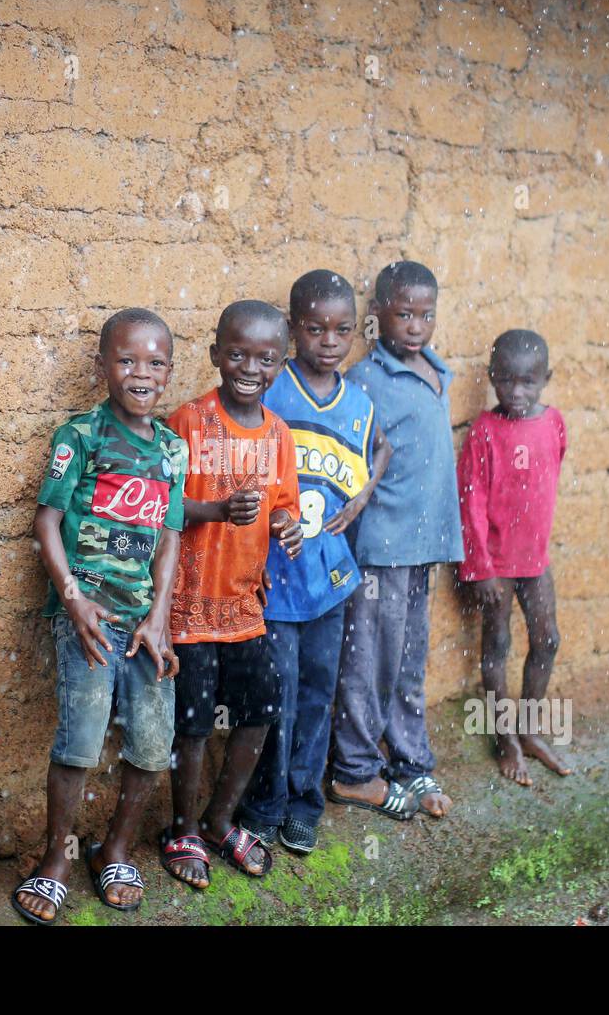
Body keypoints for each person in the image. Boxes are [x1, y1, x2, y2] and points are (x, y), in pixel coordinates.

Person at [13, 308, 188, 924]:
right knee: (80, 744)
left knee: (150, 742)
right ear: (101, 368)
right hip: (89, 618)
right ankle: (57, 859)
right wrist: (73, 598)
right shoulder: (80, 436)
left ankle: (113, 848)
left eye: (155, 362)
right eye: (126, 360)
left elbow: (170, 537)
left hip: (144, 623)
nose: (141, 373)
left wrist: (159, 616)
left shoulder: (171, 448)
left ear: (169, 372)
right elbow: (46, 522)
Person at [236, 270, 392, 855]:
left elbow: (380, 449)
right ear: (293, 329)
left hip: (329, 578)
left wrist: (364, 493)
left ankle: (304, 804)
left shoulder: (358, 403)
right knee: (273, 693)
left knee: (317, 691)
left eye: (343, 330)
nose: (330, 340)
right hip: (273, 579)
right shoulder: (272, 390)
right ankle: (264, 803)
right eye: (315, 328)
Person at [160, 300, 303, 888]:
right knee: (192, 724)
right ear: (216, 353)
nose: (250, 366)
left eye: (266, 358)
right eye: (237, 353)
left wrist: (288, 526)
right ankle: (182, 828)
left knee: (263, 705)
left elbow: (286, 506)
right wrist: (215, 510)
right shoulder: (187, 422)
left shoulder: (279, 436)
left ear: (281, 364)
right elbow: (159, 504)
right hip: (188, 607)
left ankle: (221, 820)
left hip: (245, 607)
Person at [329, 261, 461, 821]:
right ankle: (355, 769)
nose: (415, 326)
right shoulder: (365, 382)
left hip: (423, 546)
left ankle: (410, 759)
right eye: (403, 314)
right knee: (367, 661)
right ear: (376, 316)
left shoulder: (437, 371)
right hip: (380, 549)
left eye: (425, 314)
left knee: (408, 660)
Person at [458, 328, 571, 786]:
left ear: (546, 378)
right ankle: (503, 739)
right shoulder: (485, 432)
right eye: (506, 381)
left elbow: (551, 469)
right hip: (497, 567)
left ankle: (529, 730)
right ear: (491, 378)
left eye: (528, 382)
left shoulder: (554, 422)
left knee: (548, 639)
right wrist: (480, 568)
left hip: (535, 562)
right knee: (497, 647)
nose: (517, 392)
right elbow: (472, 503)